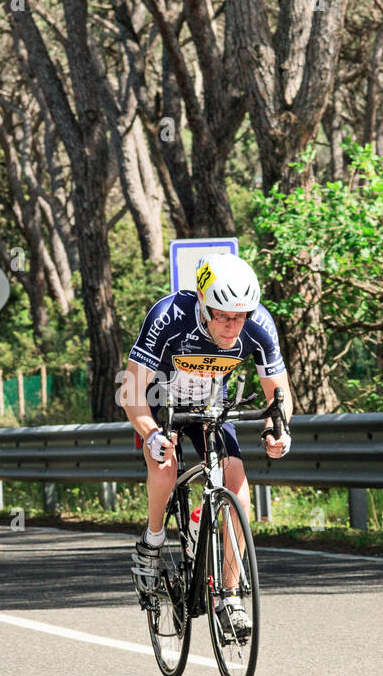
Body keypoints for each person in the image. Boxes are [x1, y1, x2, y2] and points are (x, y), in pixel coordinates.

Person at [120, 253, 292, 635]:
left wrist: (277, 428)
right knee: (164, 465)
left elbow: (277, 393)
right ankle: (153, 541)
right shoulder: (169, 315)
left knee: (237, 483)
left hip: (210, 405)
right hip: (159, 403)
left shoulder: (258, 323)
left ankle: (229, 596)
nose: (233, 326)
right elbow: (131, 387)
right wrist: (150, 433)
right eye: (223, 316)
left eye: (241, 316)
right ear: (201, 300)